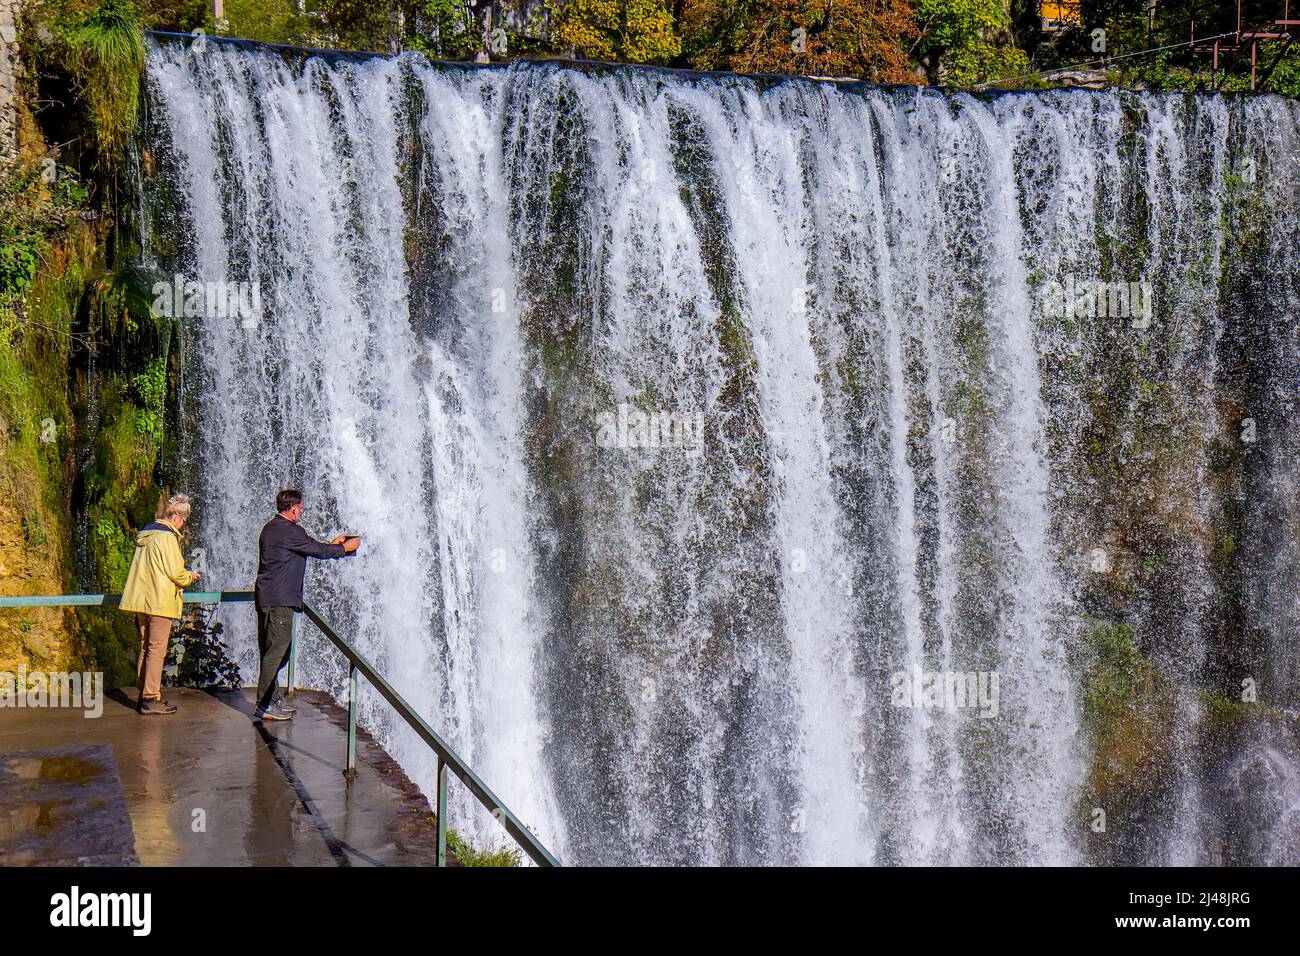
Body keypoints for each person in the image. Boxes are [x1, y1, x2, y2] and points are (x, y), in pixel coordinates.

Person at [253, 488, 360, 721]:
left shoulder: (271, 528)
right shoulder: (290, 531)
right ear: (292, 508)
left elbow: (311, 547)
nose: (302, 511)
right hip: (280, 601)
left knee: (275, 650)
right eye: (301, 507)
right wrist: (344, 549)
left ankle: (272, 698)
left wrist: (332, 545)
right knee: (277, 653)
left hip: (267, 598)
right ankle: (264, 705)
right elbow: (317, 551)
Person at [119, 494, 202, 716]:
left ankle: (145, 692)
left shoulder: (147, 534)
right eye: (184, 518)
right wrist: (189, 577)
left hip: (141, 600)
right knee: (156, 649)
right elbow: (176, 572)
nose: (184, 523)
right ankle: (149, 698)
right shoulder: (167, 538)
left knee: (146, 646)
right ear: (175, 516)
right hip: (159, 600)